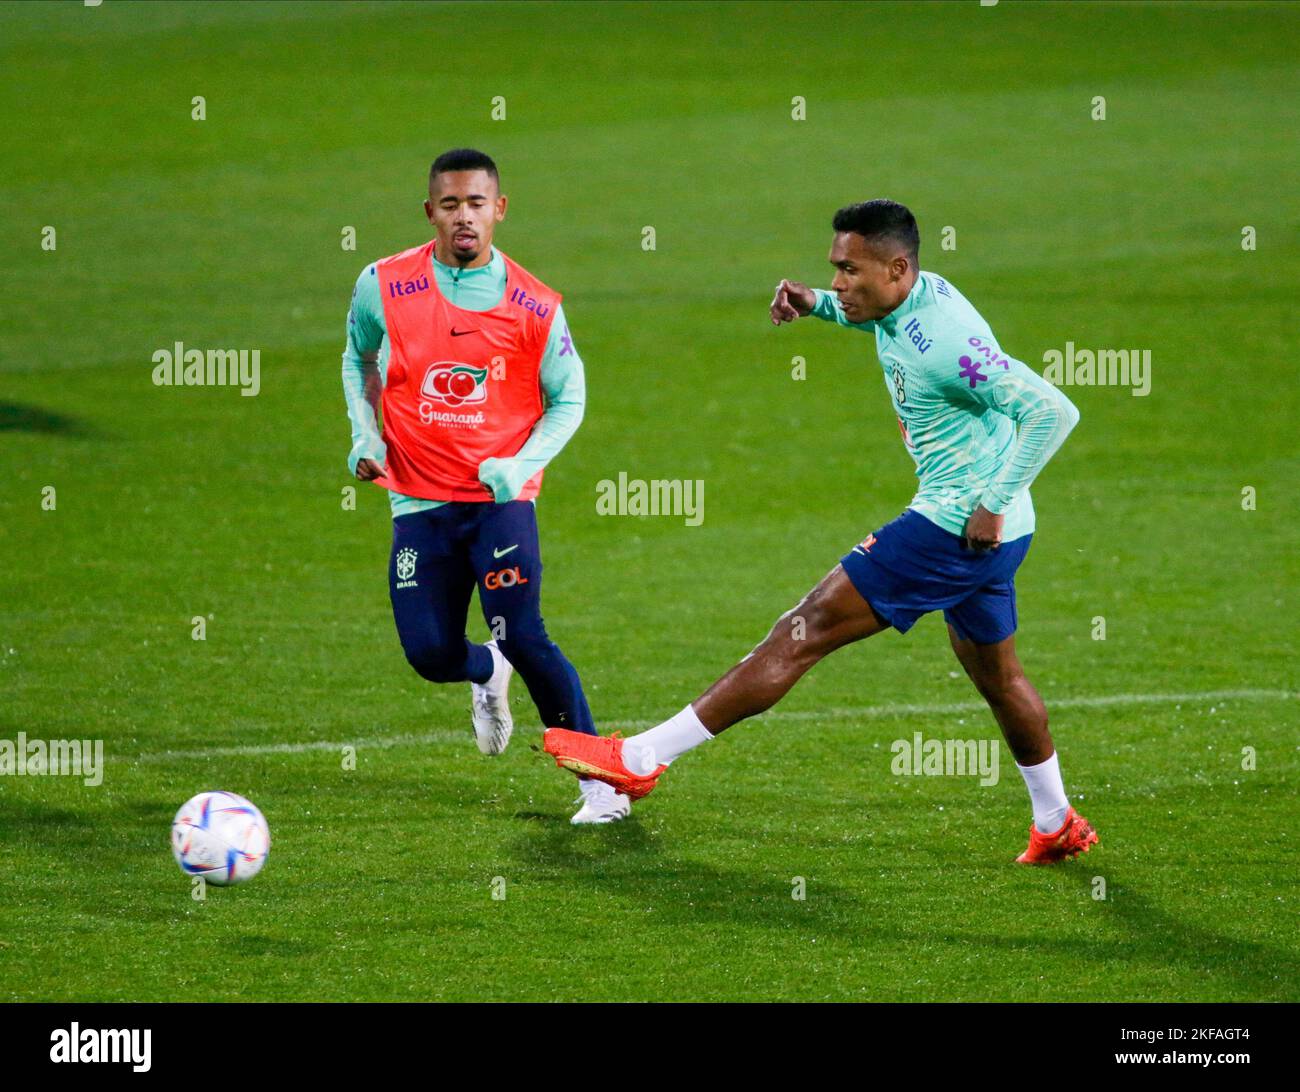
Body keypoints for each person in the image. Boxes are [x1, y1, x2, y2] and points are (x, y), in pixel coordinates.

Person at [544, 199, 1098, 861]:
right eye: (834, 269)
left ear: (896, 268)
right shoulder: (904, 298)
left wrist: (993, 501)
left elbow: (1053, 410)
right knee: (999, 678)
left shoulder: (947, 340)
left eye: (849, 272)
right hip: (996, 537)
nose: (839, 281)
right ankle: (1056, 818)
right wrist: (816, 304)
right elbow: (874, 319)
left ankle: (639, 758)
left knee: (801, 629)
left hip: (956, 526)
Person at [343, 147, 629, 824]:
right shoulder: (382, 283)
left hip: (500, 506)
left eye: (476, 204)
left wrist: (519, 465)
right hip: (417, 500)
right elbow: (357, 359)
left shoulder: (534, 304)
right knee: (429, 654)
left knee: (526, 634)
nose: (463, 217)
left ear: (499, 209)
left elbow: (571, 398)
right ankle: (482, 671)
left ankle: (601, 784)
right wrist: (364, 434)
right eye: (450, 205)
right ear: (430, 212)